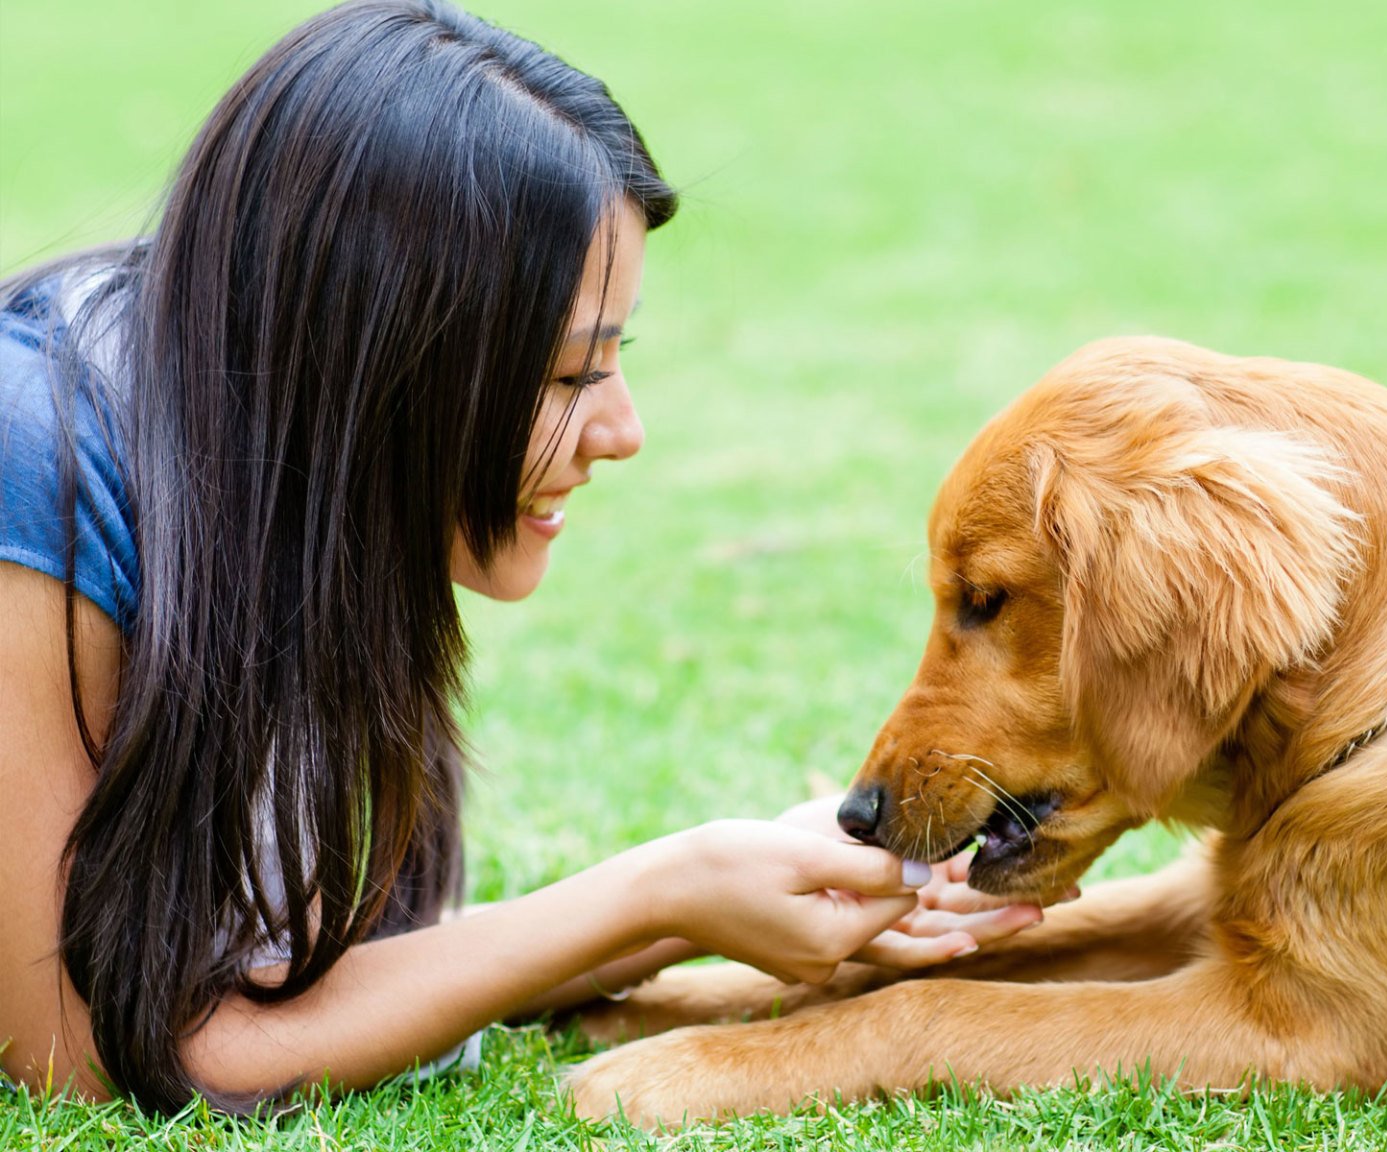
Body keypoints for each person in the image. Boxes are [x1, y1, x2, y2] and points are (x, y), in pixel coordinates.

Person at [0, 0, 1040, 1113]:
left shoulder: (269, 471)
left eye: (612, 358)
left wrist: (712, 894)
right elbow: (86, 1053)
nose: (623, 431)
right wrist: (659, 892)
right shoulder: (38, 470)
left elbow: (292, 989)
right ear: (381, 363)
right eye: (565, 377)